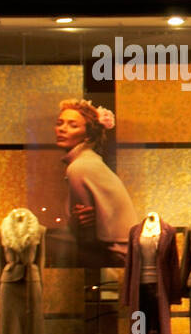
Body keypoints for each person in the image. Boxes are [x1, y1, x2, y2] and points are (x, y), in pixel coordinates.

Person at [54, 98, 138, 267]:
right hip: (121, 252)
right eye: (60, 123)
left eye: (73, 125)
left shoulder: (79, 167)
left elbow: (86, 233)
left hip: (114, 255)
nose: (62, 129)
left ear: (88, 135)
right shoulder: (90, 161)